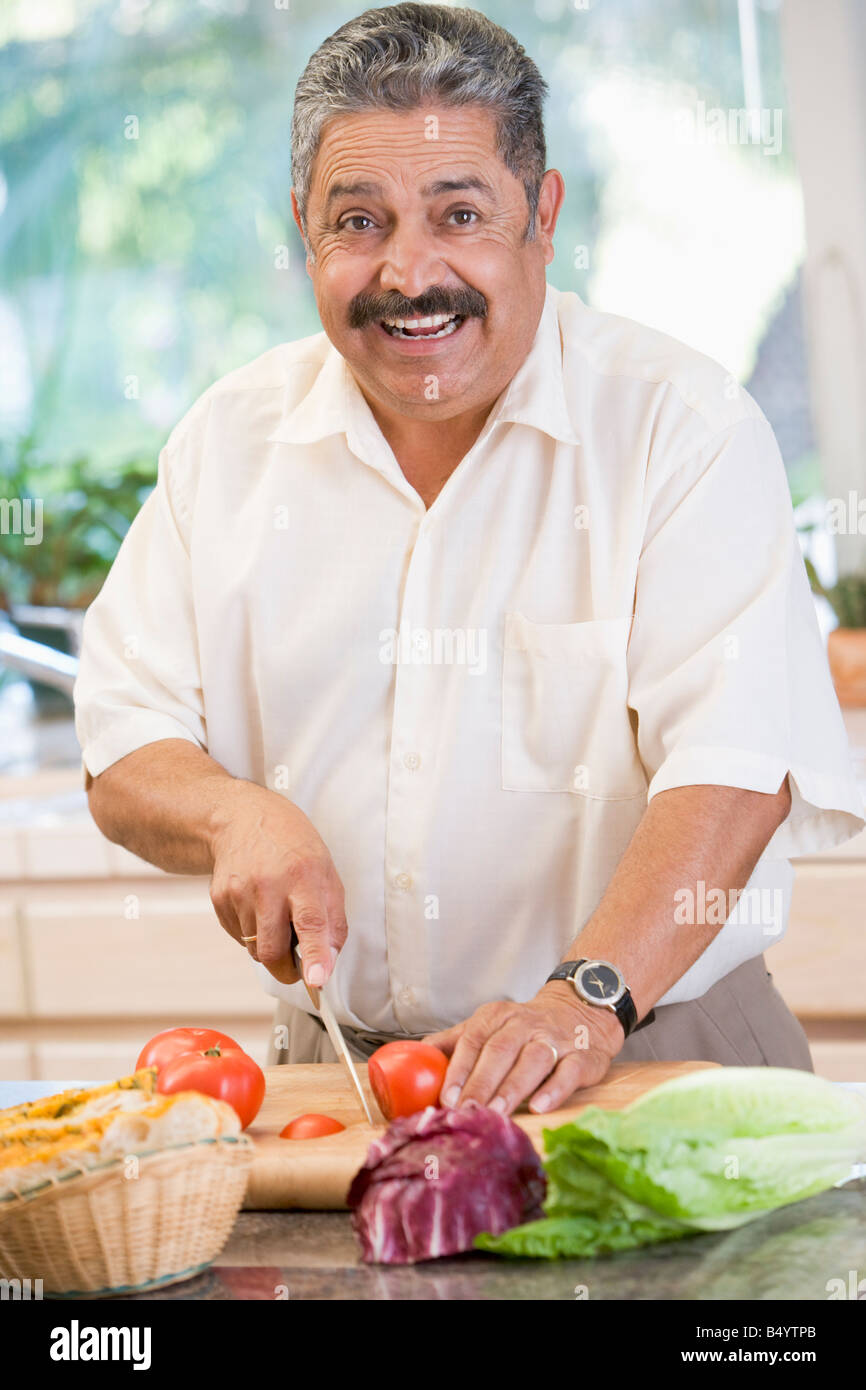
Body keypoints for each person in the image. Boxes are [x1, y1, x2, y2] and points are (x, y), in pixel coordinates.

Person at [75, 4, 864, 1118]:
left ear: (539, 217)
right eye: (360, 219)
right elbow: (122, 741)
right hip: (345, 1082)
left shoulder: (679, 426)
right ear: (304, 225)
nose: (409, 272)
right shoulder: (227, 442)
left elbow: (733, 771)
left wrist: (581, 998)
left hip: (646, 1054)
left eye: (458, 214)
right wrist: (229, 813)